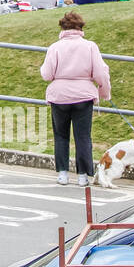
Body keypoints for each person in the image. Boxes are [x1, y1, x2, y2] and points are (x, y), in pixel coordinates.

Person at [40, 11, 111, 187]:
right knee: (83, 136)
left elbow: (47, 74)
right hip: (83, 96)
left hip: (59, 96)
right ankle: (83, 175)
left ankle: (63, 173)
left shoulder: (55, 47)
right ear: (81, 28)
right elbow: (100, 73)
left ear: (62, 27)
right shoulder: (90, 46)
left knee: (61, 135)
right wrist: (104, 93)